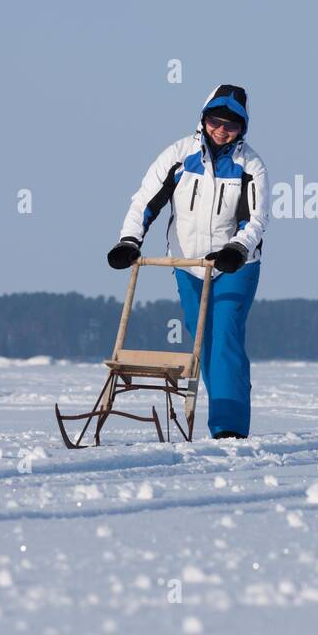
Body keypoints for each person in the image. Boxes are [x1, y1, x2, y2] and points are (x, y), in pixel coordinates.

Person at [107, 85, 269, 439]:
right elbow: (145, 202)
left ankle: (229, 428)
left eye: (231, 125)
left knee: (224, 337)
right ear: (204, 119)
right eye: (215, 121)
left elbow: (255, 220)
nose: (221, 130)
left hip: (234, 266)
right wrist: (129, 241)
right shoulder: (179, 155)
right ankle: (222, 415)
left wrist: (236, 249)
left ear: (242, 128)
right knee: (202, 342)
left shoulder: (250, 165)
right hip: (186, 263)